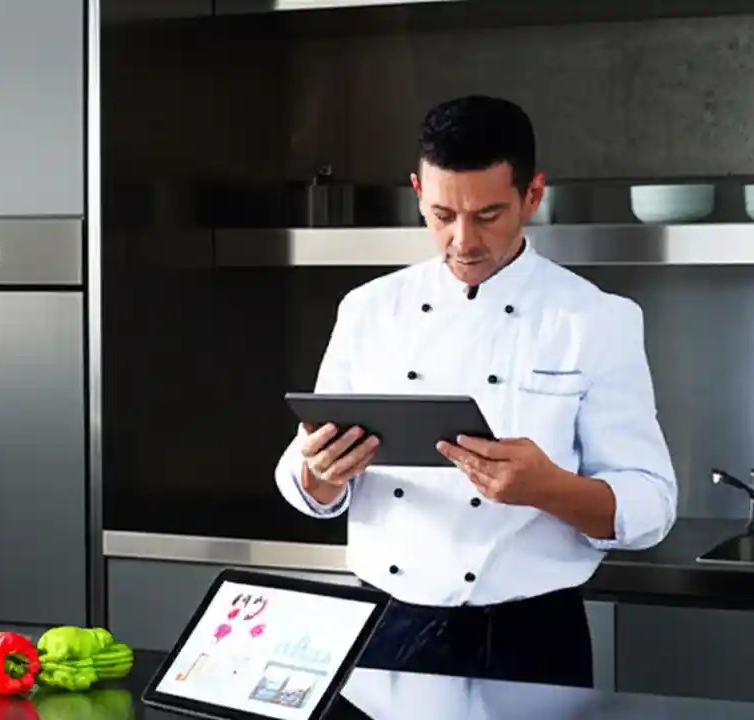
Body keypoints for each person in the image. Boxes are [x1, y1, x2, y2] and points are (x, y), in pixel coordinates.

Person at [274, 95, 677, 689]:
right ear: (417, 192)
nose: (462, 241)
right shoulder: (368, 310)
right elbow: (304, 475)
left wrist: (548, 488)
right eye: (442, 214)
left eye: (488, 215)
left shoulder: (596, 320)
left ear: (532, 195)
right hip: (383, 626)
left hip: (532, 637)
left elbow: (652, 506)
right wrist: (321, 474)